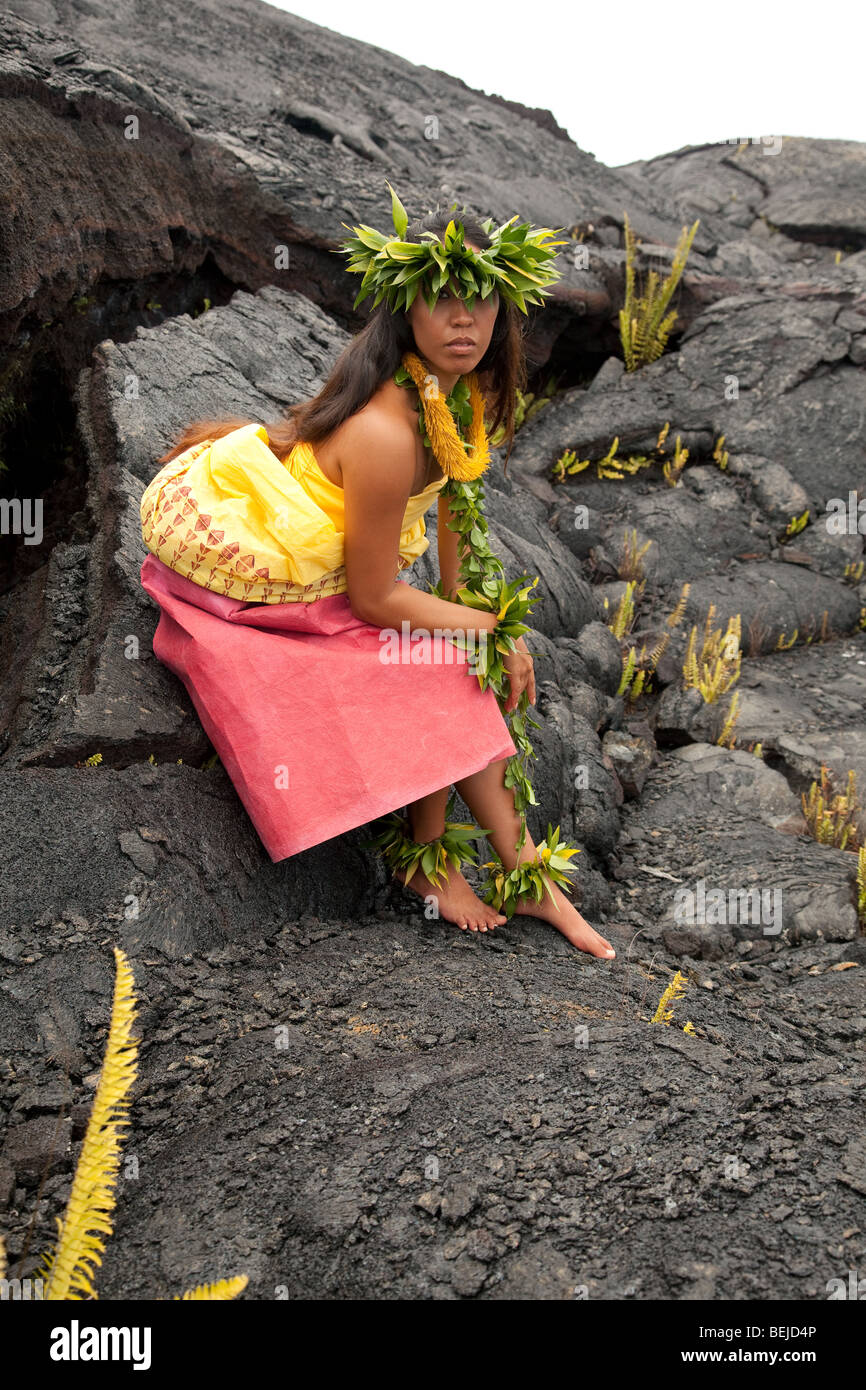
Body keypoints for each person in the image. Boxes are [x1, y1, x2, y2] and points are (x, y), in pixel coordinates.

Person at [139, 191, 616, 960]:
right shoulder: (385, 432)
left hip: (347, 577)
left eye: (482, 301)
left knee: (454, 659)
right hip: (269, 586)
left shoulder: (461, 399)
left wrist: (480, 631)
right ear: (407, 312)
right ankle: (491, 874)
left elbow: (460, 512)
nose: (465, 320)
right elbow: (371, 597)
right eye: (442, 301)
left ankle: (487, 872)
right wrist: (491, 632)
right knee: (438, 658)